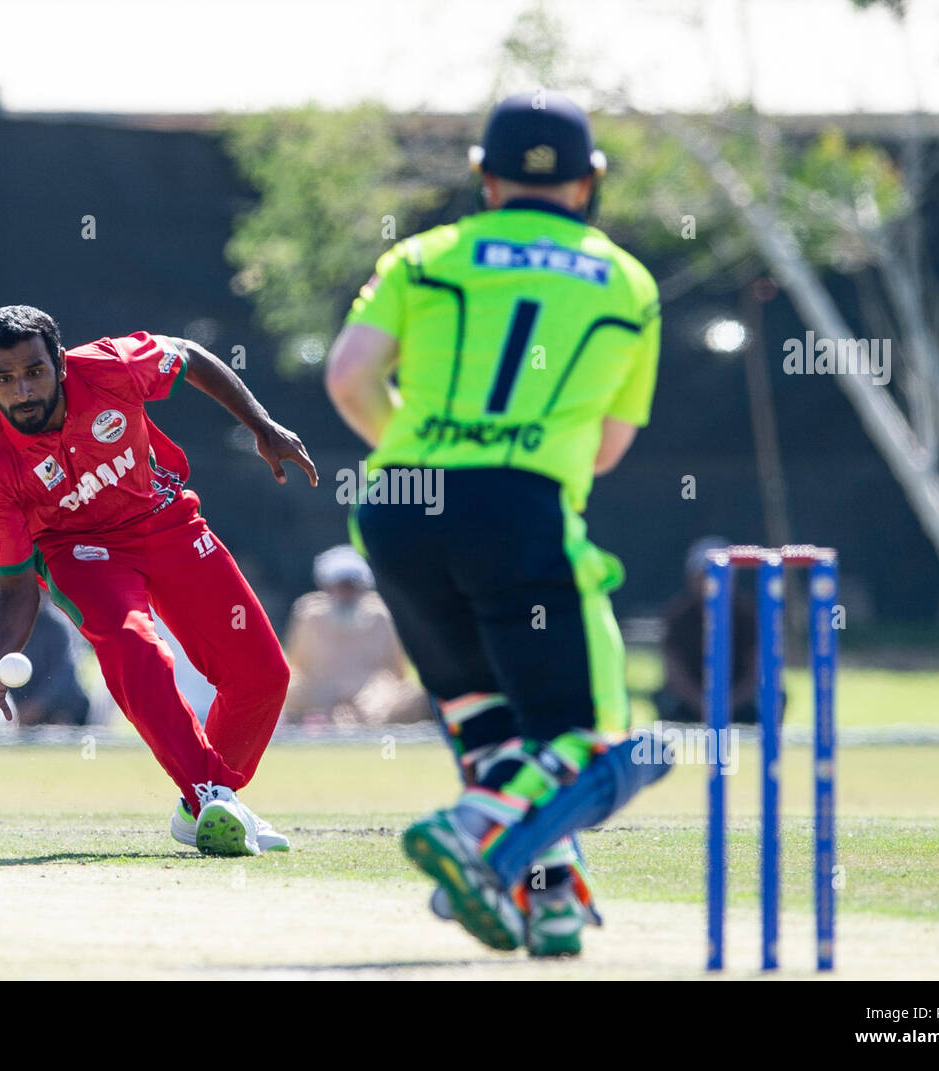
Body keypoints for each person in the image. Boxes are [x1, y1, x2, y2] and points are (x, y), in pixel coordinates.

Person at [326, 92, 671, 955]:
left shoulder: (422, 255)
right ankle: (475, 824)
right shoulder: (628, 282)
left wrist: (419, 448)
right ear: (590, 184)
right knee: (586, 735)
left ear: (484, 177)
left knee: (489, 723)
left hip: (400, 506)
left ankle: (550, 900)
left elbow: (349, 377)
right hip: (519, 507)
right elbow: (605, 451)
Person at [0, 305, 317, 857]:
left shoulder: (112, 366)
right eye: (2, 378)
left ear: (61, 365)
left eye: (34, 372)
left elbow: (189, 357)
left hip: (165, 521)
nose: (21, 390)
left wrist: (261, 426)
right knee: (132, 643)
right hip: (78, 552)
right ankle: (209, 792)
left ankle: (202, 808)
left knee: (262, 675)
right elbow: (16, 586)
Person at [282, 544, 429, 727]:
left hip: (375, 699)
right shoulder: (310, 615)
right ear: (328, 588)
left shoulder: (381, 616)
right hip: (319, 696)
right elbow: (296, 667)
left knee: (421, 695)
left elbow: (398, 671)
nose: (346, 593)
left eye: (351, 586)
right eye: (340, 586)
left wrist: (372, 695)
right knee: (285, 689)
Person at [652, 537, 763, 726]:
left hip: (739, 702)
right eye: (703, 576)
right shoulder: (678, 616)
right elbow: (674, 671)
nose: (710, 584)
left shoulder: (748, 615)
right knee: (663, 699)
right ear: (690, 578)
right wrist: (701, 704)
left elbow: (757, 670)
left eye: (718, 577)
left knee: (773, 696)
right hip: (691, 704)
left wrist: (729, 704)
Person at [0, 583, 91, 726]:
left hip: (48, 706)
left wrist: (36, 707)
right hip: (4, 700)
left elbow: (64, 672)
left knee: (74, 700)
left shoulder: (57, 624)